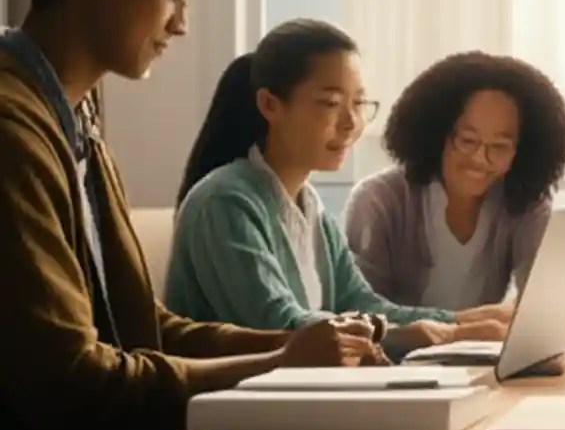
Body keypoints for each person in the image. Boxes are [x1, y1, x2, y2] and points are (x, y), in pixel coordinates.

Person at [0, 0, 378, 430]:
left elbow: (142, 330)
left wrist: (303, 350)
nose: (180, 21)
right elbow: (72, 383)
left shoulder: (74, 116)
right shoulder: (13, 127)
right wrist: (279, 363)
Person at [167, 20, 508, 358]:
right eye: (331, 103)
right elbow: (280, 325)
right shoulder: (225, 202)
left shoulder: (309, 205)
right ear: (270, 104)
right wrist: (434, 335)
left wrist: (461, 320)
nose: (350, 123)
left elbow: (360, 303)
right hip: (237, 393)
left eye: (358, 104)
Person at [344, 52, 565, 328]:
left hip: (480, 353)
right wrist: (465, 324)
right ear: (438, 133)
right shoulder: (378, 201)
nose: (480, 159)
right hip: (397, 355)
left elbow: (543, 298)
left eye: (499, 147)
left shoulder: (524, 203)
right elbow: (363, 314)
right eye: (467, 141)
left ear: (522, 150)